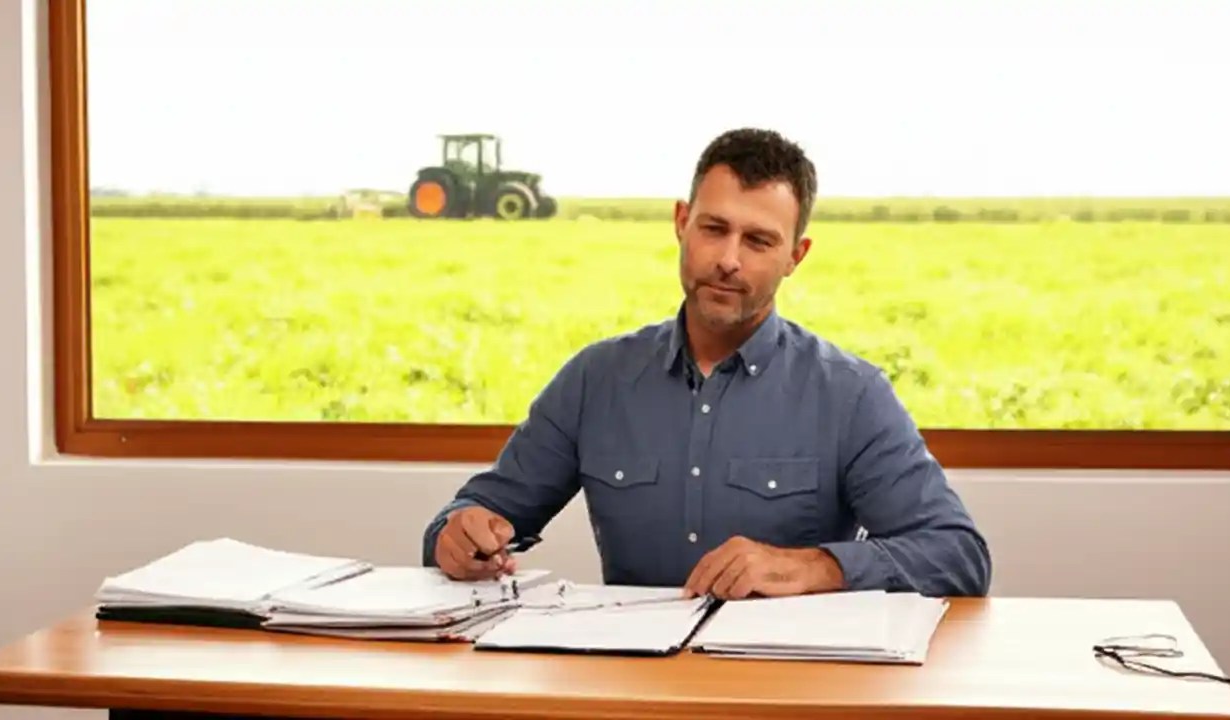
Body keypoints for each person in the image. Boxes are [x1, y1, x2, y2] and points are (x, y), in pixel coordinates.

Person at [421, 127, 992, 599]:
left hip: (788, 693)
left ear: (797, 256)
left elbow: (958, 557)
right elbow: (476, 513)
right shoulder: (595, 379)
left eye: (759, 241)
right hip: (629, 692)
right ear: (681, 223)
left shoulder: (851, 394)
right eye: (713, 229)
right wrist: (460, 534)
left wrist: (814, 567)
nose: (728, 260)